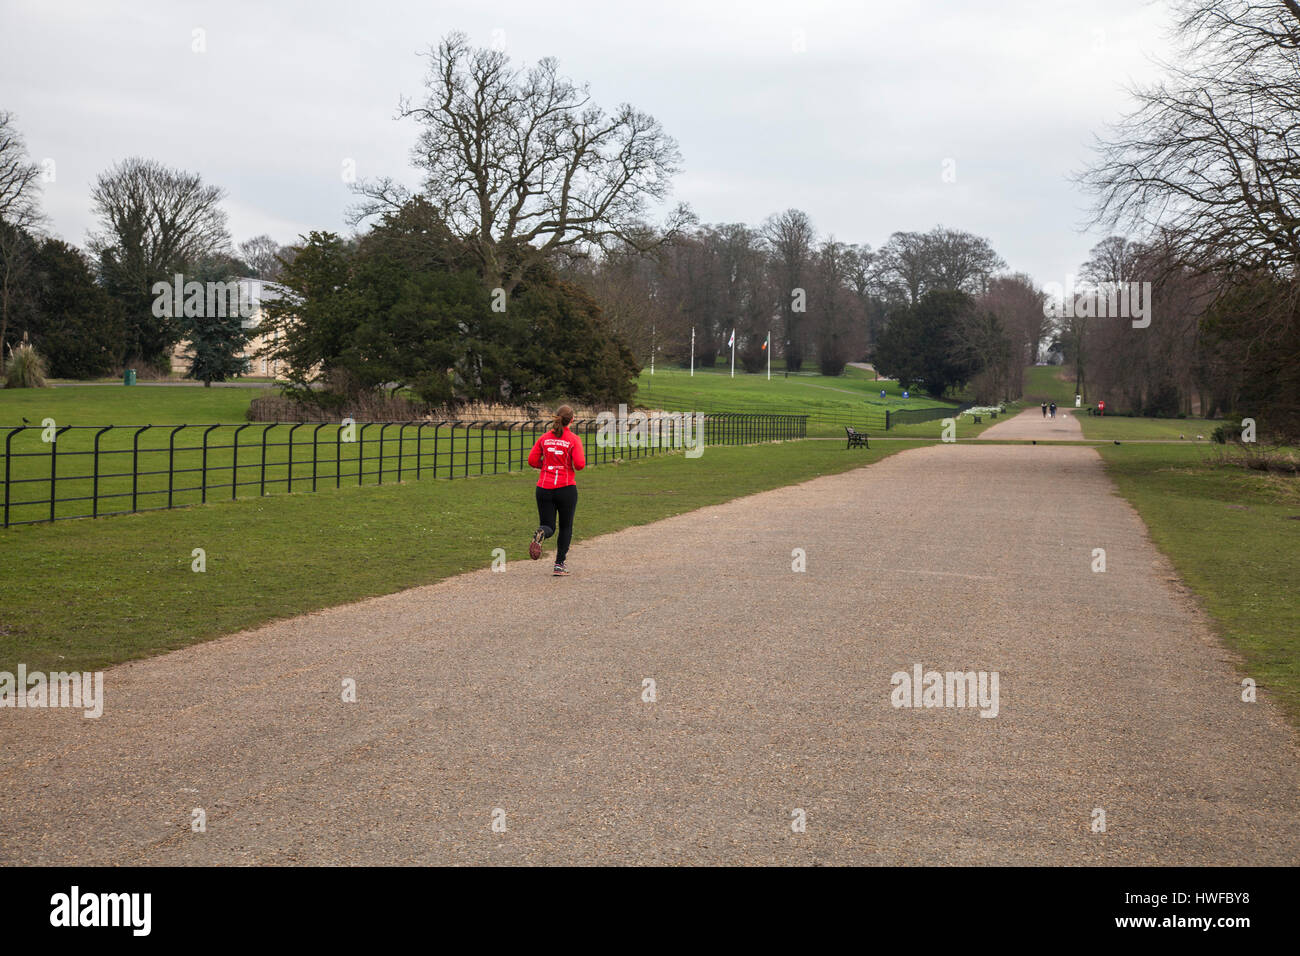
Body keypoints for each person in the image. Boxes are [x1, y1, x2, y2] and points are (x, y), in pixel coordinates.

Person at [527, 404, 585, 576]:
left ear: (556, 417)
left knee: (548, 525)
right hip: (566, 488)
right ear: (572, 420)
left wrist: (546, 465)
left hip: (544, 488)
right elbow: (580, 464)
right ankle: (559, 564)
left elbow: (532, 460)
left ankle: (541, 533)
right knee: (566, 527)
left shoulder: (544, 438)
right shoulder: (573, 439)